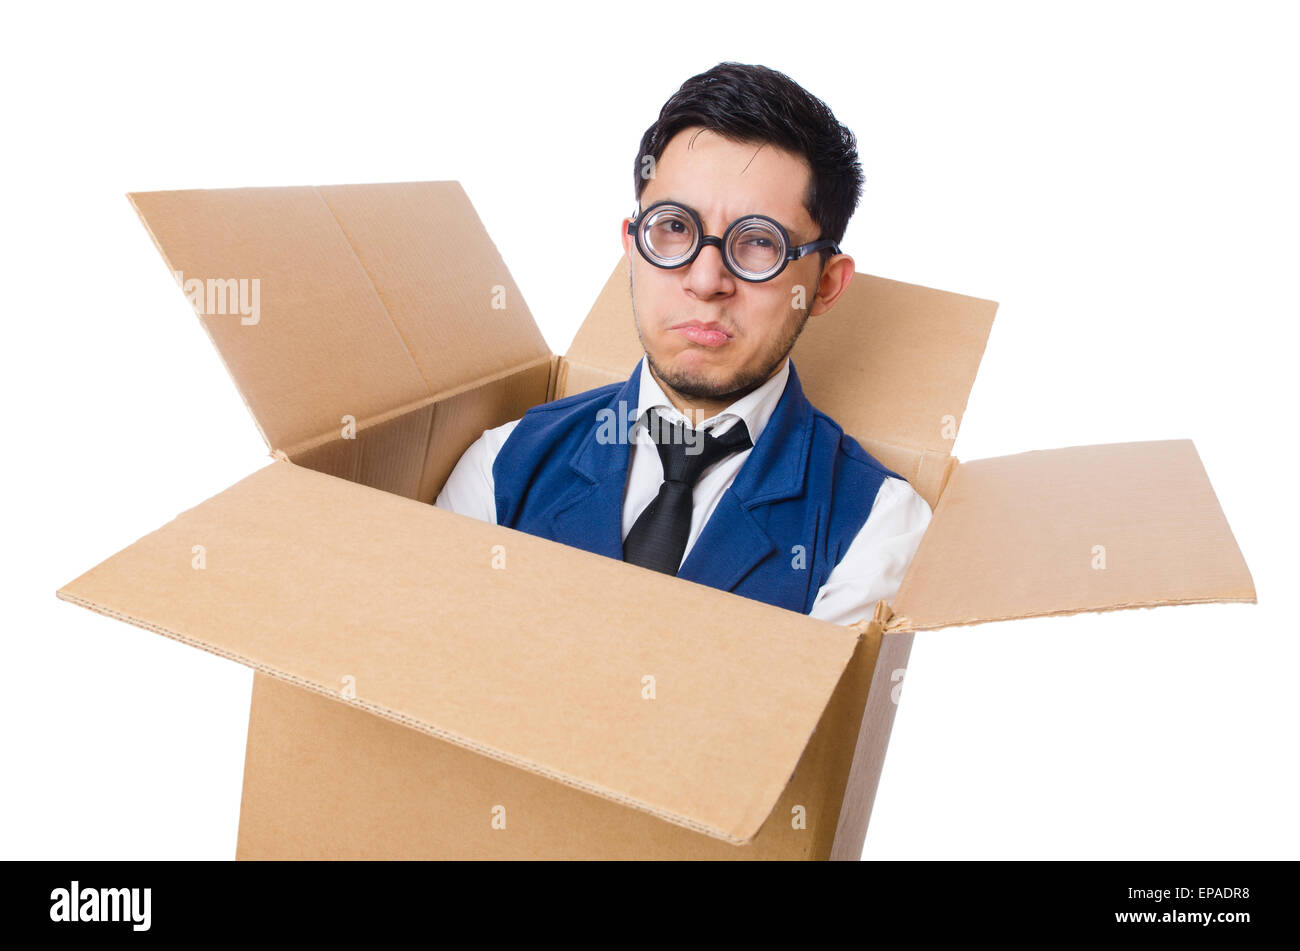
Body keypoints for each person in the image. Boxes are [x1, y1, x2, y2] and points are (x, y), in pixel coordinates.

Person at [435, 62, 932, 626]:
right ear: (632, 245)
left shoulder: (877, 526)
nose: (705, 280)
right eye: (673, 227)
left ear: (825, 284)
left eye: (759, 242)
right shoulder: (504, 465)